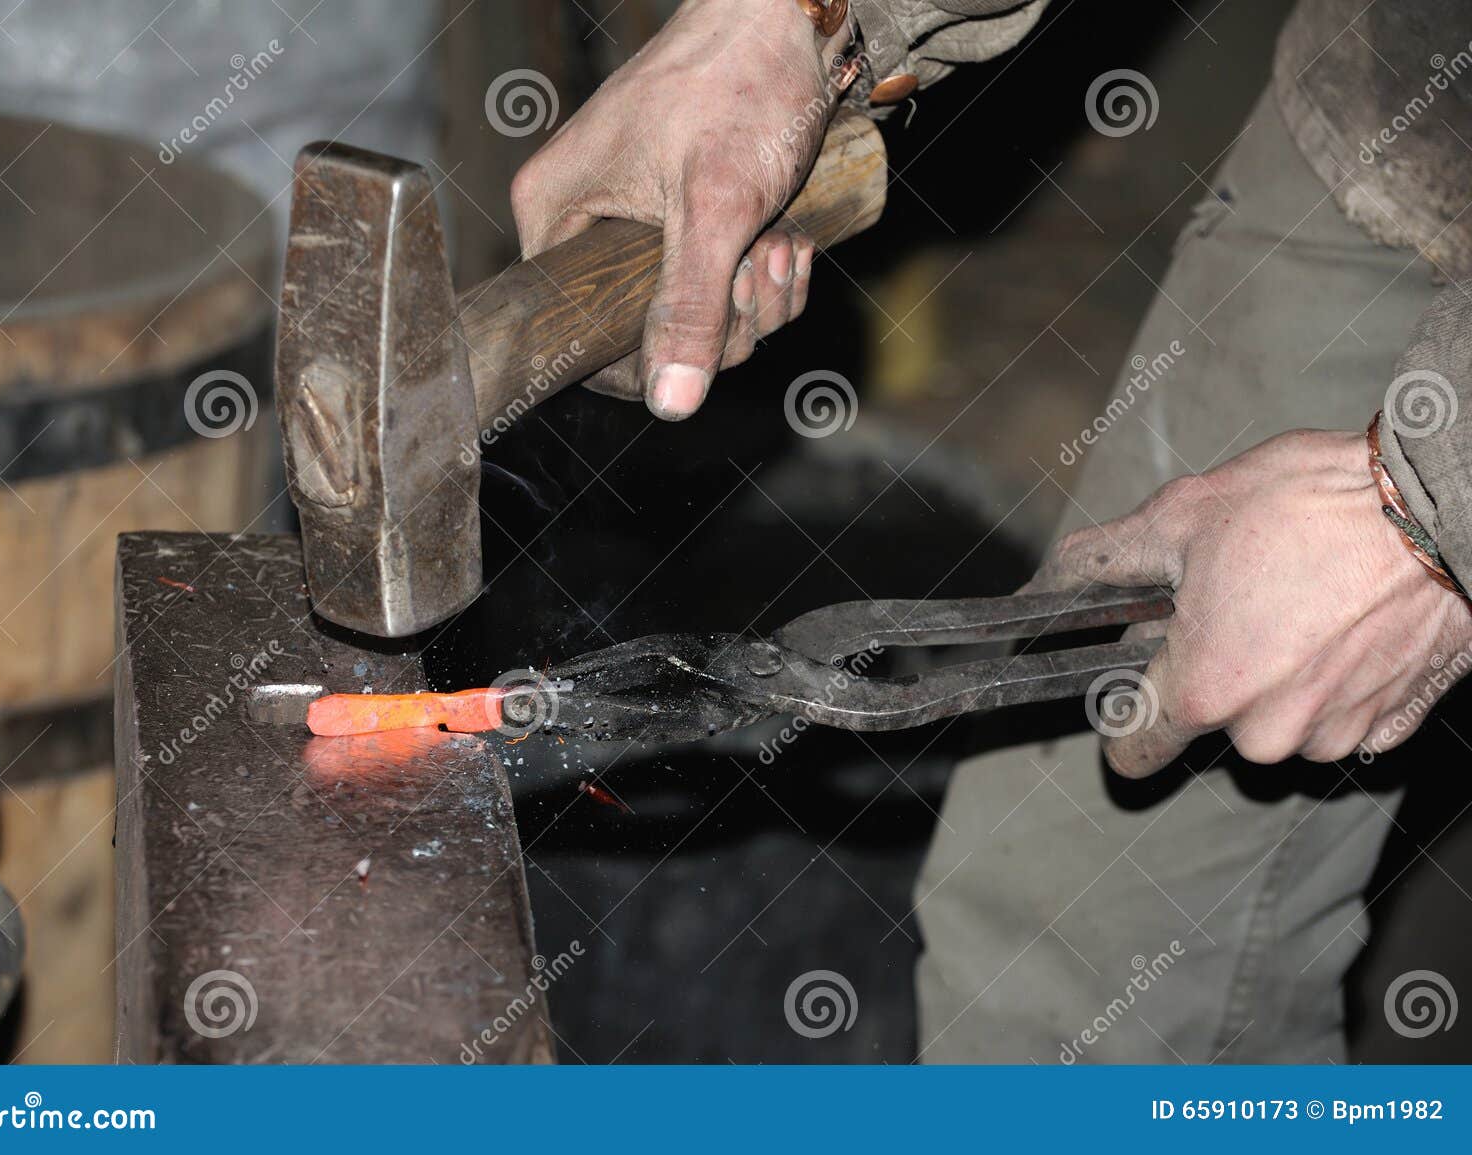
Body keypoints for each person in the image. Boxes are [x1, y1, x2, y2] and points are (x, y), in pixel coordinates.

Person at [511, 0, 1472, 1061]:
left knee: (1139, 993)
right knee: (1062, 938)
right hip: (1399, 88)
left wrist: (1422, 516)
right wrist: (791, 27)